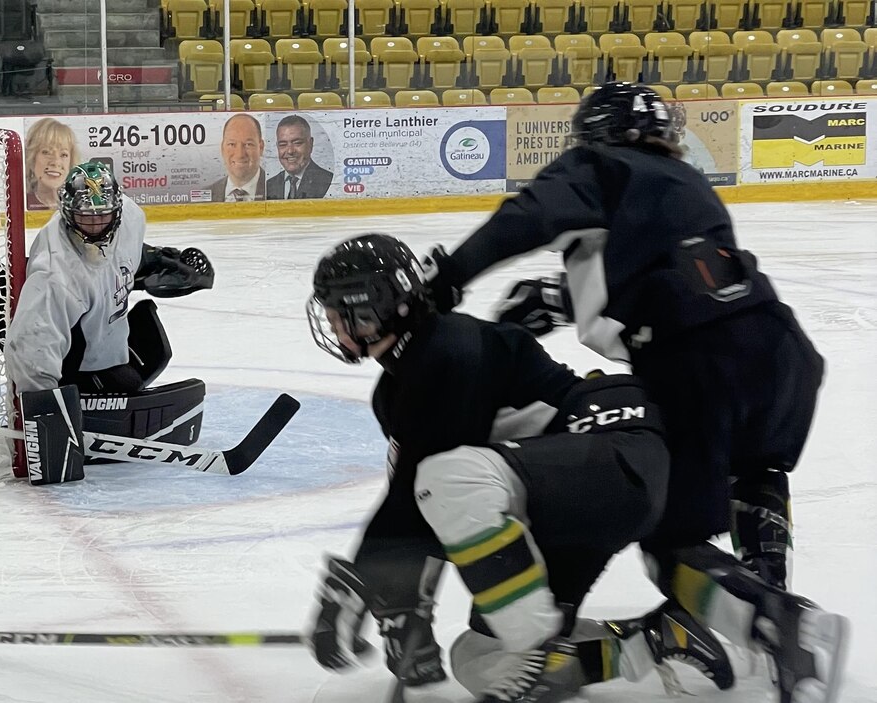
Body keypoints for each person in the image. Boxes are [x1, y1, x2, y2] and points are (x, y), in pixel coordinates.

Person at [423, 81, 848, 702]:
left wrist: (450, 277)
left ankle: (777, 623)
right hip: (784, 353)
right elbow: (666, 262)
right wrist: (560, 298)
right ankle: (769, 614)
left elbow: (532, 215)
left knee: (668, 538)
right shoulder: (688, 182)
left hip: (700, 361)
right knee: (756, 468)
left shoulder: (600, 163)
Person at [304, 233, 699, 703]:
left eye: (335, 314)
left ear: (368, 309)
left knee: (444, 480)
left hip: (615, 452)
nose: (332, 326)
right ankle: (654, 642)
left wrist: (364, 585)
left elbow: (423, 491)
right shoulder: (398, 388)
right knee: (480, 660)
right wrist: (404, 613)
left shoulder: (448, 346)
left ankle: (536, 647)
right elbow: (421, 514)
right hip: (565, 512)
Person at [4, 162, 215, 485]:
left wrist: (154, 261)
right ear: (66, 211)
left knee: (151, 346)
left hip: (105, 332)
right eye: (85, 218)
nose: (95, 226)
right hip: (73, 358)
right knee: (125, 383)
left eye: (102, 217)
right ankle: (77, 391)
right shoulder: (55, 276)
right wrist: (49, 418)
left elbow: (121, 253)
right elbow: (30, 350)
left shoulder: (129, 215)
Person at [266, 115, 333, 200]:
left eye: (297, 143)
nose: (290, 151)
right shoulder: (268, 186)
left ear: (310, 144)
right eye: (283, 144)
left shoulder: (328, 182)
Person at [206, 114, 265, 202]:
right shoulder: (207, 193)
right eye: (232, 144)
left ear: (261, 148)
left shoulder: (280, 189)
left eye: (248, 144)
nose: (240, 154)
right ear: (222, 148)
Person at [24, 118, 80, 210]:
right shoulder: (20, 205)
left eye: (63, 154)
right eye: (46, 152)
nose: (56, 162)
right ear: (32, 158)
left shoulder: (80, 205)